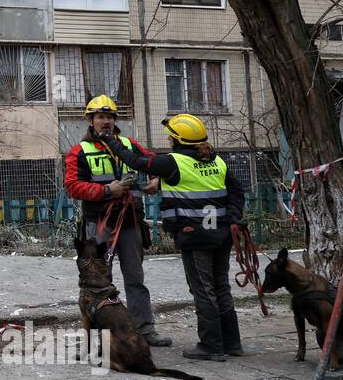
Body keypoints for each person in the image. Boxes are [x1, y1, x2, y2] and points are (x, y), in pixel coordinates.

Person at [99, 114, 245, 361]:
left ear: (178, 140)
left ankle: (211, 345)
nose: (168, 140)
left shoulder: (173, 162)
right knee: (221, 288)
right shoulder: (217, 160)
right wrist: (232, 217)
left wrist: (110, 140)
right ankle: (232, 343)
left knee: (203, 290)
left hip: (195, 237)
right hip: (221, 235)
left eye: (170, 137)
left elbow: (134, 161)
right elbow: (237, 190)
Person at [64, 95, 170, 346]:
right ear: (90, 120)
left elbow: (155, 163)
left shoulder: (129, 145)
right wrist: (106, 191)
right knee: (98, 282)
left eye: (110, 117)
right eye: (101, 117)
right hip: (98, 223)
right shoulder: (80, 151)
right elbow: (72, 186)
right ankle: (99, 338)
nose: (106, 122)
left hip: (130, 221)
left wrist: (157, 179)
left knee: (135, 278)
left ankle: (144, 331)